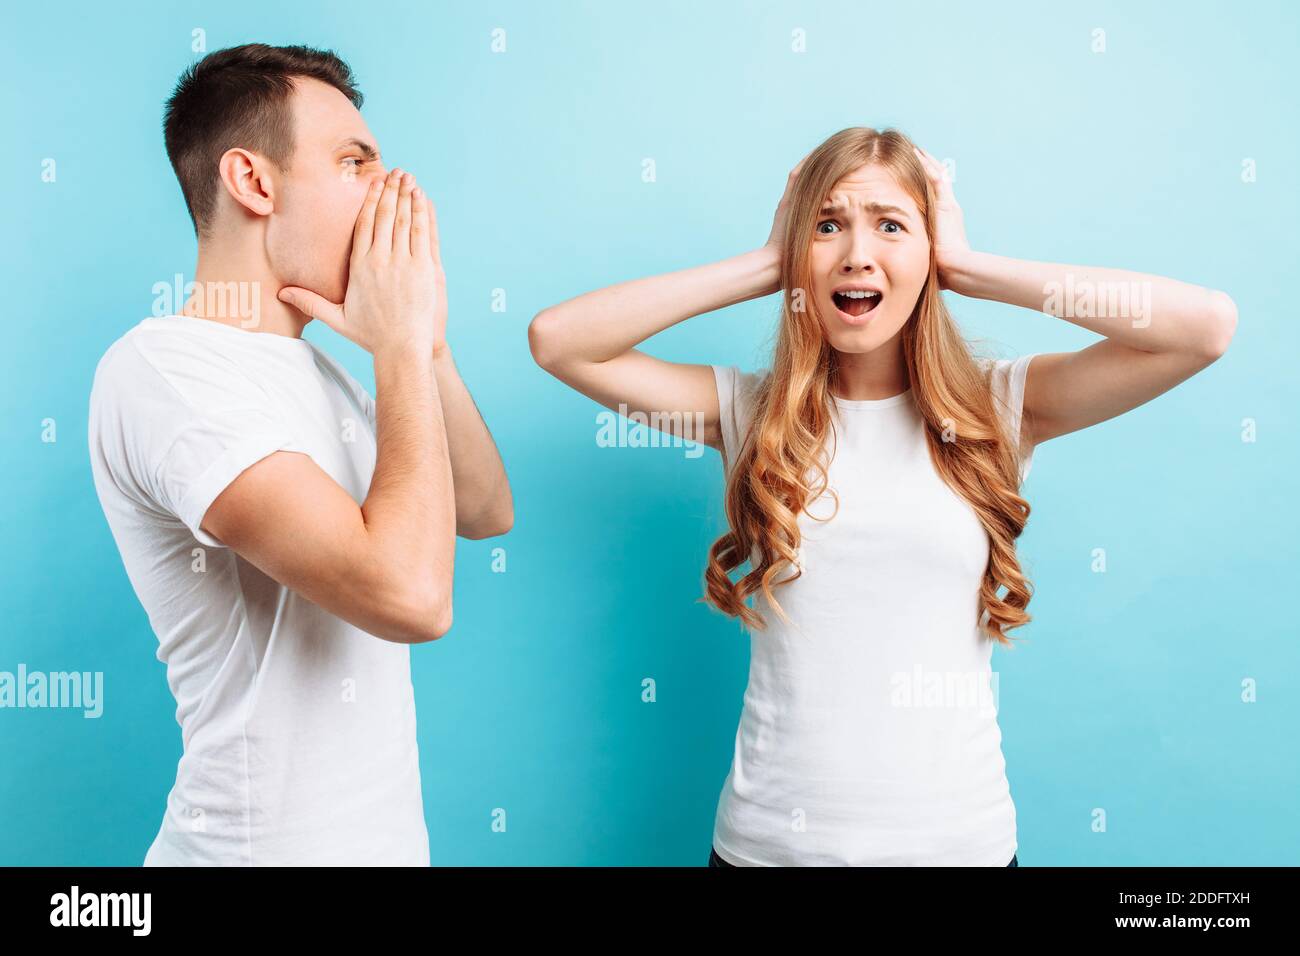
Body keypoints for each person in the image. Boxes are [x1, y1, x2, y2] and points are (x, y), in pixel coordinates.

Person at [528, 126, 1236, 866]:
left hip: (961, 848)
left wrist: (968, 265)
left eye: (890, 226)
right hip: (767, 849)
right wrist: (767, 264)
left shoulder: (998, 411)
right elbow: (558, 340)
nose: (857, 253)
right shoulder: (751, 416)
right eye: (828, 225)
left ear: (926, 250)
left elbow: (1204, 329)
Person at [87, 43, 512, 866]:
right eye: (355, 162)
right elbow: (413, 597)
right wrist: (393, 352)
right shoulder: (164, 372)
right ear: (254, 182)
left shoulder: (324, 375)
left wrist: (425, 347)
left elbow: (485, 510)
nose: (394, 194)